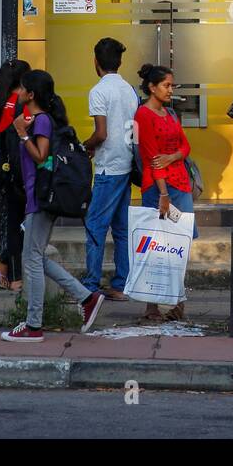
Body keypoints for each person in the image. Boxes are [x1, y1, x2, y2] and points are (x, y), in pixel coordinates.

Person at [1, 69, 105, 341]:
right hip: (37, 196)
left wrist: (23, 135)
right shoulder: (36, 118)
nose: (19, 93)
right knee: (34, 256)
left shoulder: (42, 121)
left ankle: (34, 325)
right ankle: (86, 297)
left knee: (31, 259)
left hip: (41, 197)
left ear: (32, 94)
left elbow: (41, 156)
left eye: (22, 90)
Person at [133, 63, 197, 322]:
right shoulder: (143, 115)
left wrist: (171, 157)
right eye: (167, 85)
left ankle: (178, 301)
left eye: (172, 85)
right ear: (152, 87)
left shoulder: (170, 114)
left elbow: (186, 146)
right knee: (156, 244)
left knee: (181, 243)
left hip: (181, 185)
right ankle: (151, 305)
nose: (171, 90)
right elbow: (150, 158)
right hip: (158, 188)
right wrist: (163, 195)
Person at [80, 37, 138, 301]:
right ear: (120, 62)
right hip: (126, 164)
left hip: (107, 169)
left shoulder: (98, 91)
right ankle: (121, 284)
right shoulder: (129, 90)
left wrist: (85, 145)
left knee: (95, 225)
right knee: (122, 229)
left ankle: (91, 284)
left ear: (95, 61)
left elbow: (101, 133)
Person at [0, 59, 30, 291]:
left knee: (12, 220)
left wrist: (4, 146)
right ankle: (13, 275)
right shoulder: (23, 103)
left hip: (4, 167)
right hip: (24, 166)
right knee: (21, 223)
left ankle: (4, 263)